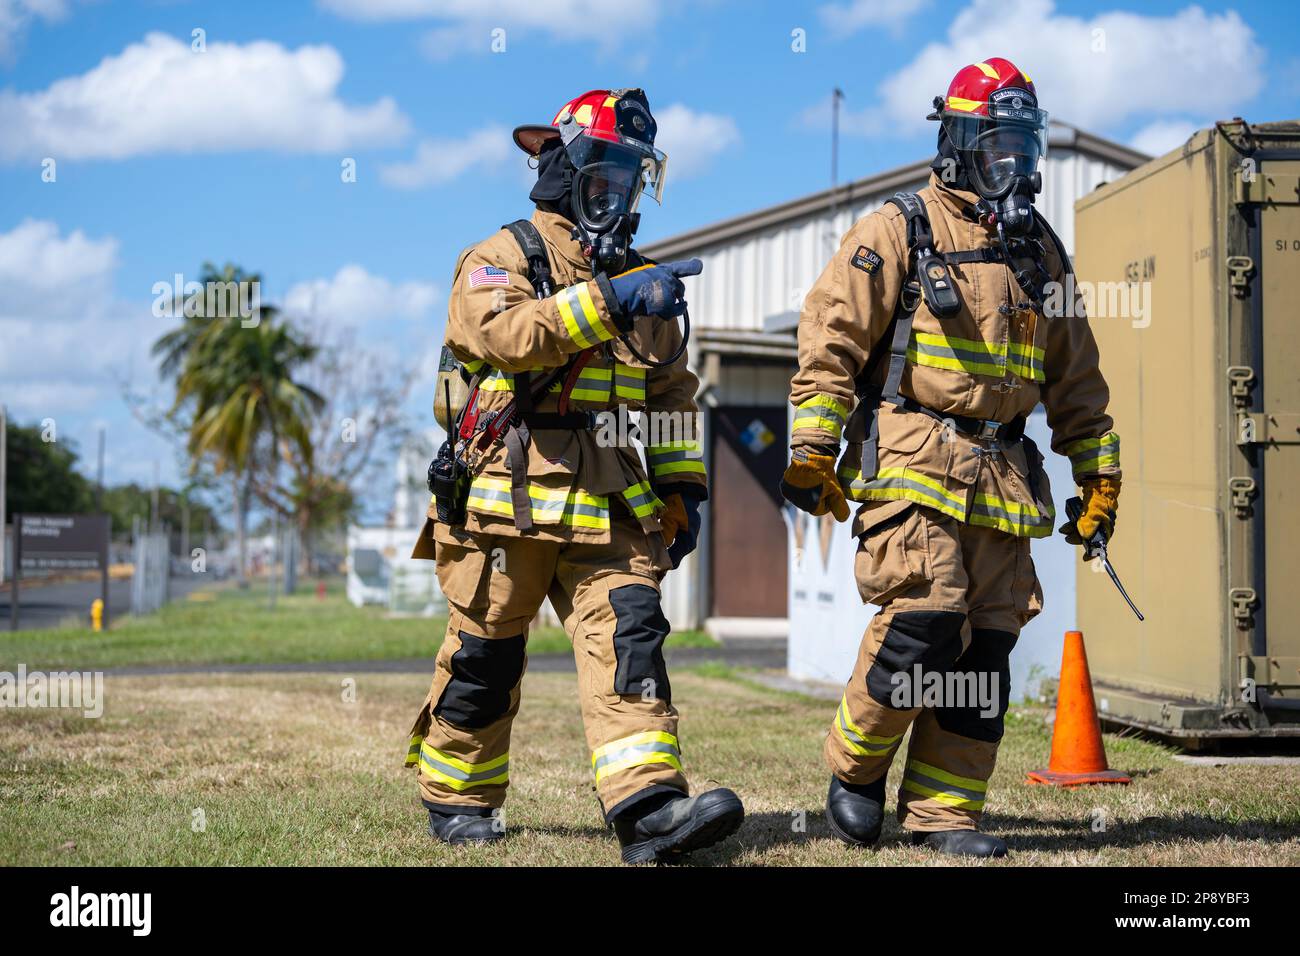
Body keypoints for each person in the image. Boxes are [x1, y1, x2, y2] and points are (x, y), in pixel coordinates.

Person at [781, 58, 1121, 858]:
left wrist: (1099, 472)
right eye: (1000, 145)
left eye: (1025, 147)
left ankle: (943, 816)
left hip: (1005, 478)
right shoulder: (900, 228)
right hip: (915, 459)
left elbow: (1076, 373)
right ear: (963, 143)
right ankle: (854, 767)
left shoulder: (1041, 249)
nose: (1017, 164)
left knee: (986, 651)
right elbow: (829, 342)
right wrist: (811, 446)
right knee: (925, 625)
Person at [407, 88, 744, 865]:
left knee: (633, 640)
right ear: (564, 170)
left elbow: (670, 393)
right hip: (502, 500)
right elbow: (507, 334)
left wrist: (684, 490)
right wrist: (607, 300)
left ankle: (650, 810)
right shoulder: (502, 256)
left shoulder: (644, 279)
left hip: (611, 505)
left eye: (631, 177)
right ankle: (459, 796)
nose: (616, 192)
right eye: (603, 174)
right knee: (485, 656)